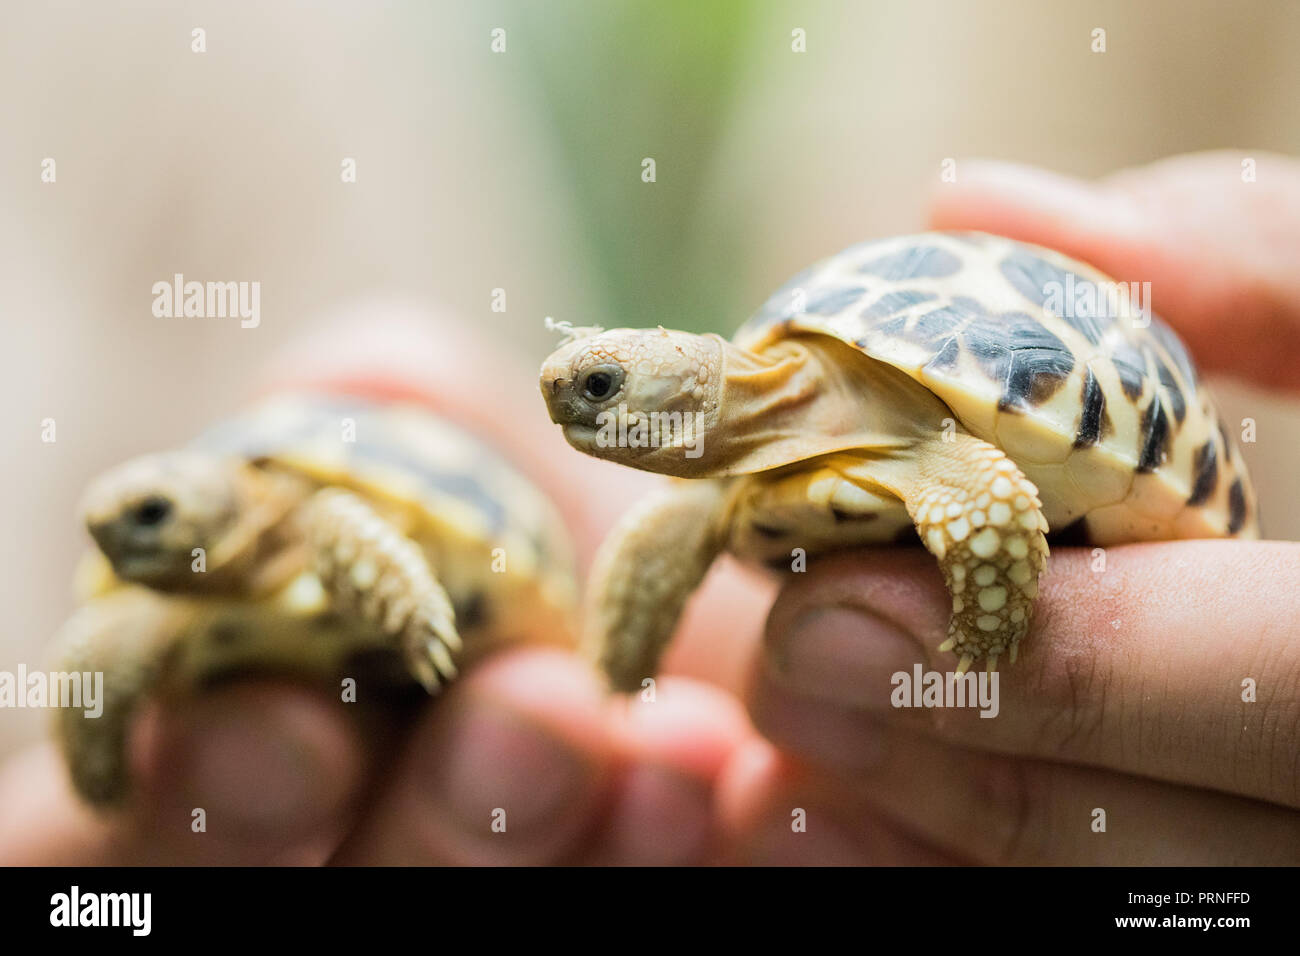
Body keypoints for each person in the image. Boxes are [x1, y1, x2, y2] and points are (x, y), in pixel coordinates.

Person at [2, 151, 1296, 865]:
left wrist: (996, 645)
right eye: (571, 395)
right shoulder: (720, 497)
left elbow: (974, 486)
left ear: (693, 382)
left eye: (607, 389)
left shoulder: (915, 429)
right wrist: (623, 671)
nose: (578, 411)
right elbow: (673, 536)